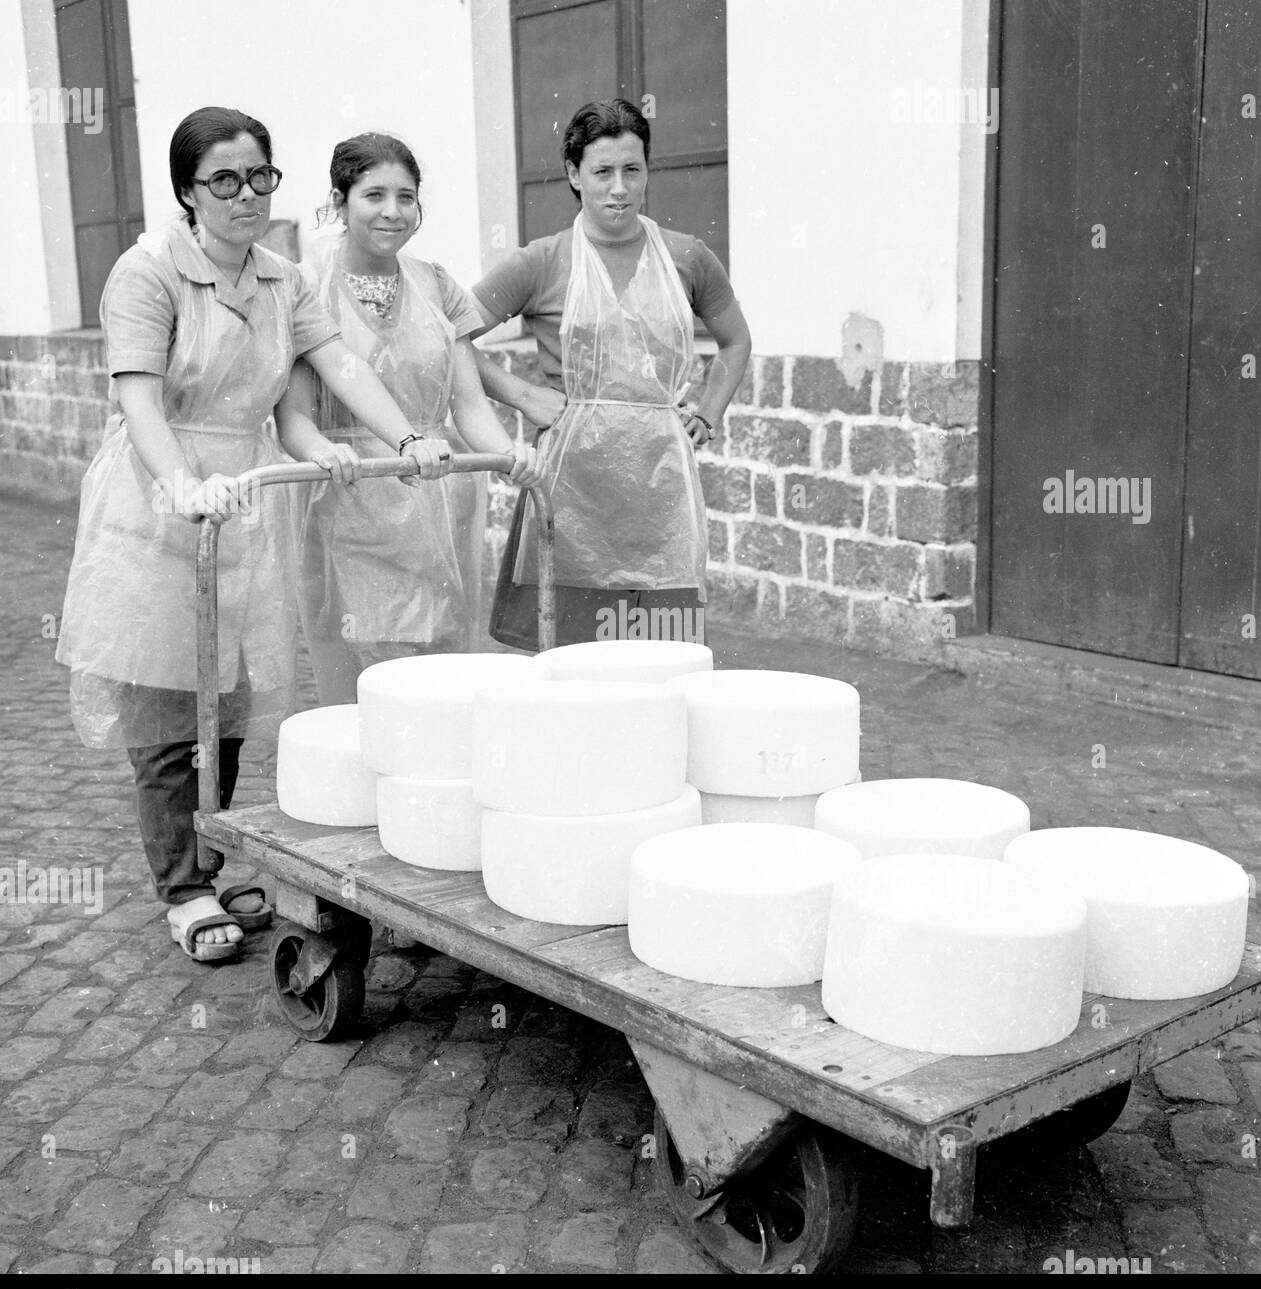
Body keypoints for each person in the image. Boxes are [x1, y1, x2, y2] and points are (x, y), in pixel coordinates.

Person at [56, 107, 453, 963]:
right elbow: (139, 399)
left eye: (259, 177)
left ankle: (209, 852)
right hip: (159, 493)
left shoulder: (283, 278)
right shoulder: (146, 272)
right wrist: (182, 487)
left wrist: (401, 438)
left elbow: (329, 373)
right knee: (166, 705)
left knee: (225, 700)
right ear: (188, 193)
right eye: (223, 181)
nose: (244, 195)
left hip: (245, 492)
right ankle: (183, 888)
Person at [470, 99, 752, 650]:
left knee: (659, 656)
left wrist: (709, 412)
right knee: (569, 657)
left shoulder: (687, 258)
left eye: (633, 170)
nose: (619, 188)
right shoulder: (542, 261)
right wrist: (523, 395)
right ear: (574, 175)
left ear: (648, 171)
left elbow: (735, 341)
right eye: (602, 172)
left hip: (659, 492)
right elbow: (449, 335)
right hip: (570, 491)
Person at [274, 133, 541, 704]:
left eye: (406, 196)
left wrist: (508, 454)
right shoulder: (302, 287)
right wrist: (326, 455)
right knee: (371, 665)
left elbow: (467, 402)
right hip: (349, 498)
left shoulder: (436, 284)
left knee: (439, 651)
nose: (392, 211)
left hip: (438, 497)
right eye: (374, 194)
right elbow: (294, 416)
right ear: (339, 201)